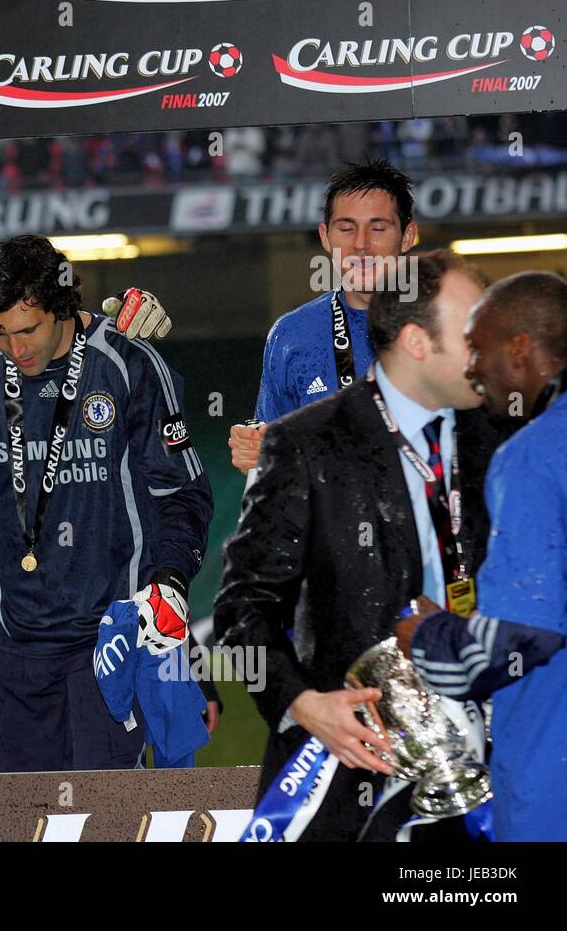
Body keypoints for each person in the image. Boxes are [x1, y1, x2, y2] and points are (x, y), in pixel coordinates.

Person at [215, 250, 507, 841]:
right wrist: (302, 704)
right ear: (417, 343)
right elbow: (243, 611)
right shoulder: (306, 443)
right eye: (473, 332)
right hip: (357, 767)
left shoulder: (502, 435)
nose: (489, 349)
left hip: (494, 762)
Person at [0, 235, 214, 772]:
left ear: (61, 307)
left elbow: (181, 494)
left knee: (112, 823)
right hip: (13, 648)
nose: (16, 349)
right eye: (1, 333)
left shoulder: (127, 362)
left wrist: (170, 581)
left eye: (28, 330)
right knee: (20, 821)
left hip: (111, 638)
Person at [397, 271, 567, 841]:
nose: (470, 368)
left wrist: (427, 636)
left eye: (478, 346)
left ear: (519, 348)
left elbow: (524, 637)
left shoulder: (532, 457)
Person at [229, 161, 419, 475]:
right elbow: (267, 433)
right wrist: (252, 444)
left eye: (378, 228)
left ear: (408, 235)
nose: (360, 244)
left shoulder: (441, 326)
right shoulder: (292, 334)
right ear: (325, 237)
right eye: (346, 228)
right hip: (330, 521)